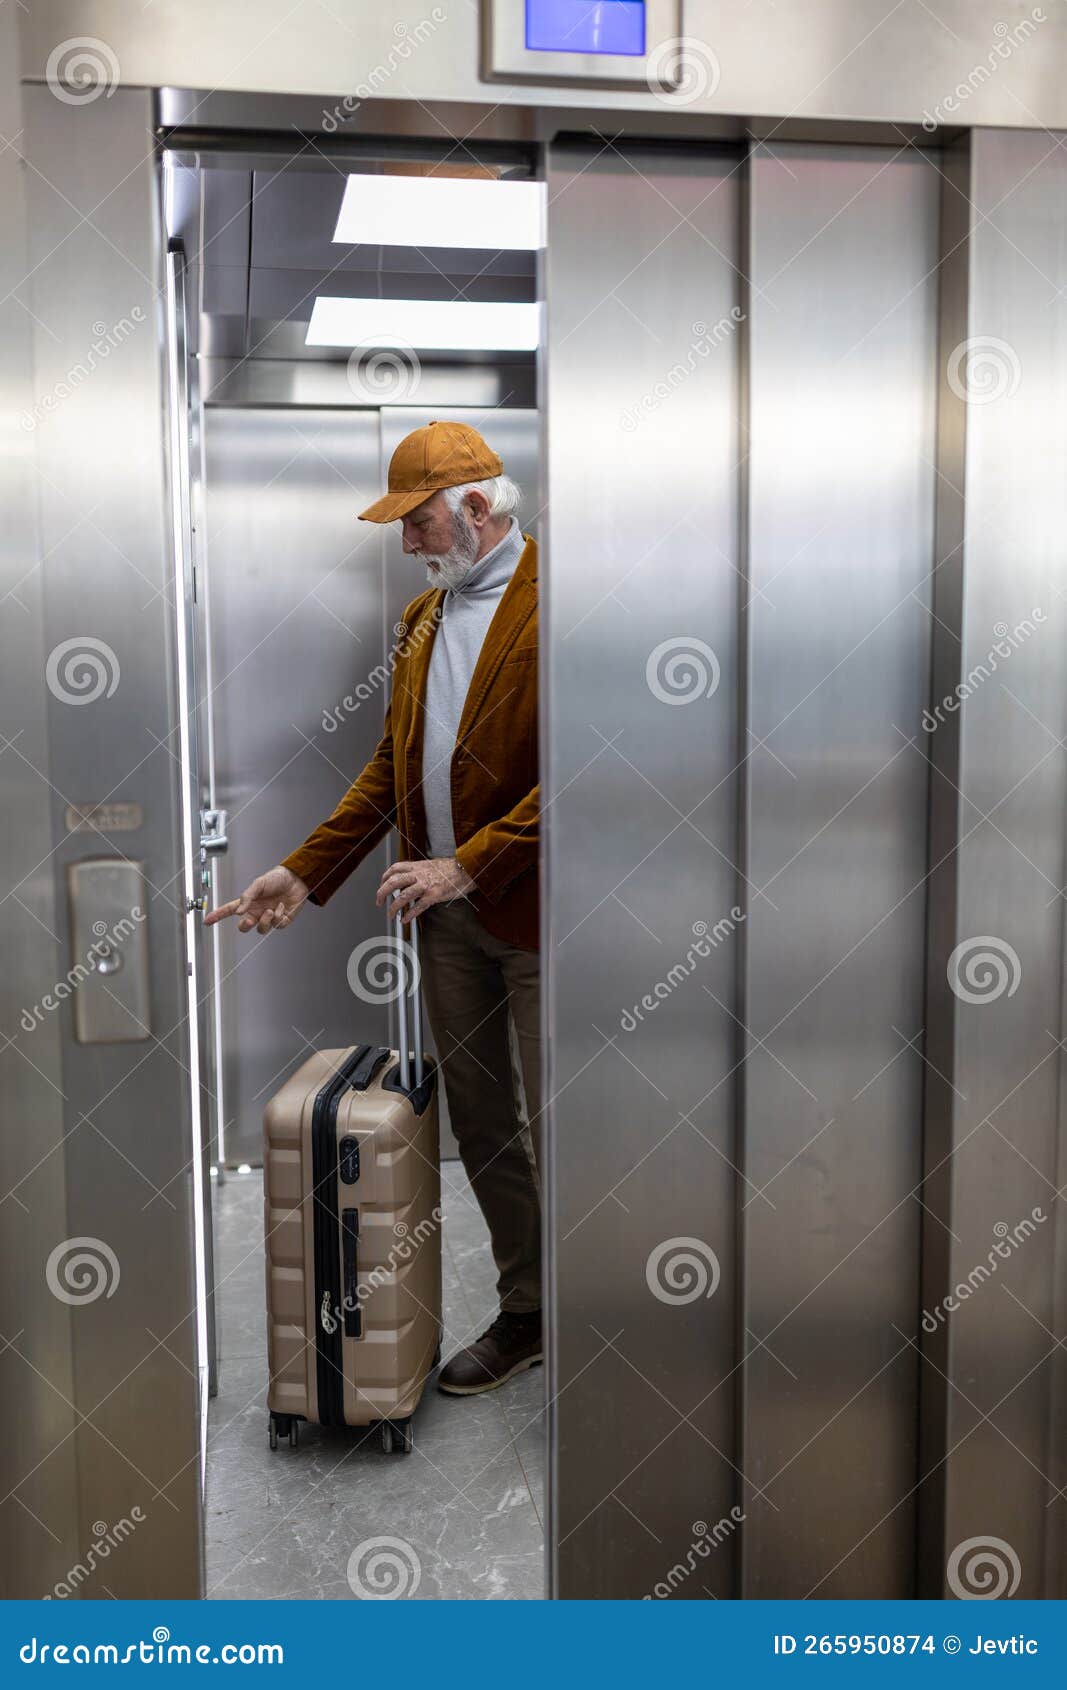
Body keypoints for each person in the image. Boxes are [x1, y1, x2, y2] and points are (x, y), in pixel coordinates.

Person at [207, 420, 542, 1396]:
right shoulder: (420, 623)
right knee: (480, 1119)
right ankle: (527, 1311)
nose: (408, 543)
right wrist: (303, 873)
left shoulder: (559, 606)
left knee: (566, 1122)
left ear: (477, 508)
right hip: (446, 924)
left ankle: (601, 1314)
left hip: (535, 917)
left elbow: (580, 774)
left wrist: (465, 866)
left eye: (420, 522)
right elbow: (387, 776)